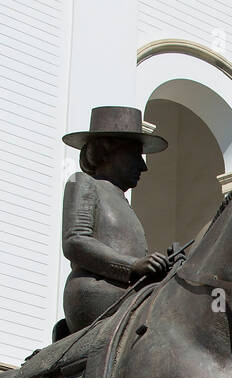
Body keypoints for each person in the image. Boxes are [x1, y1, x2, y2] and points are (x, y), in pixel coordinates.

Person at [57, 106, 168, 341]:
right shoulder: (83, 182)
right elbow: (75, 241)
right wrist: (132, 266)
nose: (143, 166)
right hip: (95, 293)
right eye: (135, 154)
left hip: (128, 293)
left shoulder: (123, 202)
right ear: (107, 151)